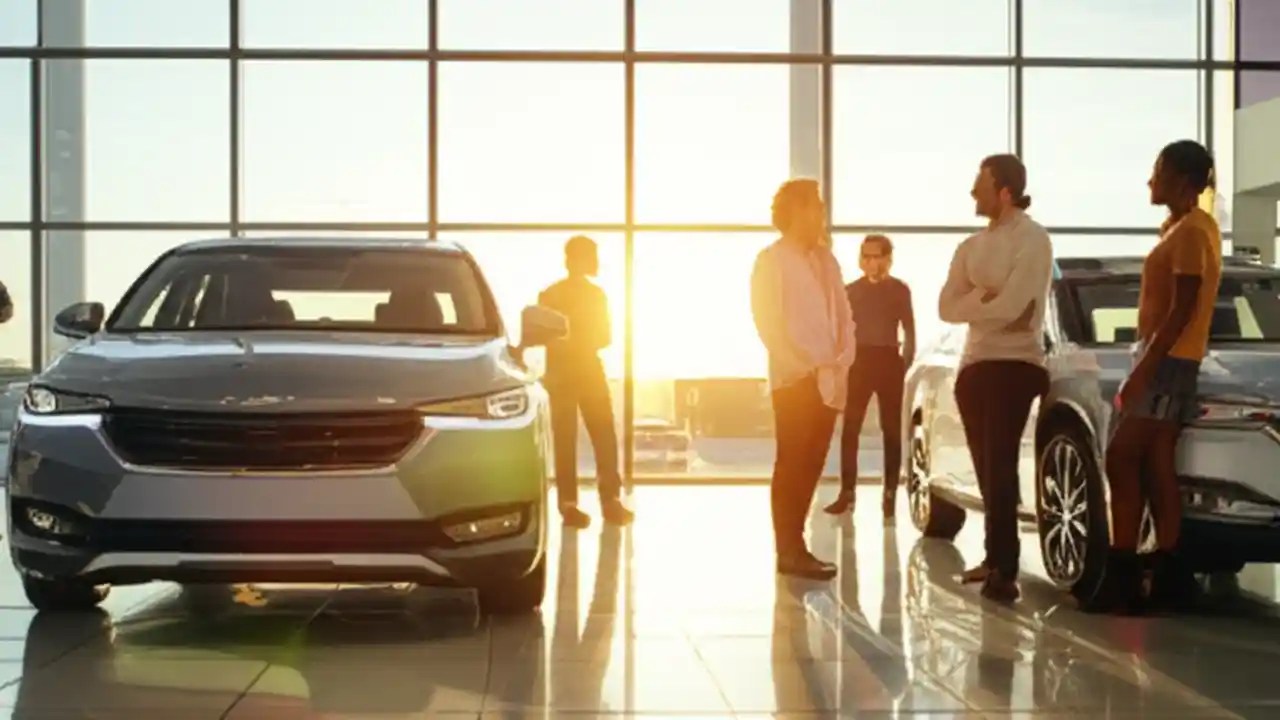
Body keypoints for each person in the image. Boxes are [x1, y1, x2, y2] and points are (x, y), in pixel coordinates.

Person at [1082, 140, 1221, 614]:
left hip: (1168, 361)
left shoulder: (1191, 233)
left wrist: (1142, 371)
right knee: (1157, 462)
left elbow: (1183, 306)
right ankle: (1166, 574)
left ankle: (1124, 573)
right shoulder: (1186, 228)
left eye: (1158, 170)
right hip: (1171, 359)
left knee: (1121, 458)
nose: (1150, 179)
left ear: (1182, 179)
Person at [938, 154, 1053, 602]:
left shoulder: (1034, 239)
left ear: (1004, 191)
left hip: (1017, 365)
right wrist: (990, 303)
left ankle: (1005, 571)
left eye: (980, 184)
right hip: (974, 368)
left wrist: (981, 302)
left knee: (1001, 465)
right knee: (987, 468)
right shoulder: (970, 247)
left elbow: (1016, 310)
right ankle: (993, 556)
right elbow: (946, 307)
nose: (972, 192)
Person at [751, 178, 857, 580]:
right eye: (815, 206)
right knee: (792, 463)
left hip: (831, 379)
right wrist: (798, 366)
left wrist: (845, 357)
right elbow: (767, 321)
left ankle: (798, 548)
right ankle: (789, 549)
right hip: (795, 380)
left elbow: (844, 315)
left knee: (812, 463)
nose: (821, 214)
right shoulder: (772, 260)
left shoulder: (827, 261)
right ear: (795, 211)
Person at [538, 236, 634, 529]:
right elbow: (603, 337)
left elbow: (551, 336)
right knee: (601, 434)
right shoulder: (592, 295)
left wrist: (570, 337)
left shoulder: (551, 295)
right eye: (592, 255)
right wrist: (582, 337)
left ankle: (572, 505)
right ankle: (607, 502)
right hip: (582, 369)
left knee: (572, 437)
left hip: (566, 371)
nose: (596, 261)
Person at [825, 234, 915, 519]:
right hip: (858, 362)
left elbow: (910, 330)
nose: (871, 262)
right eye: (866, 256)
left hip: (889, 361)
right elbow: (839, 332)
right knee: (850, 428)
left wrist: (906, 365)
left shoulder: (900, 290)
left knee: (891, 430)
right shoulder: (849, 291)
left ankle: (889, 494)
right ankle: (847, 493)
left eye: (876, 256)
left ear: (888, 259)